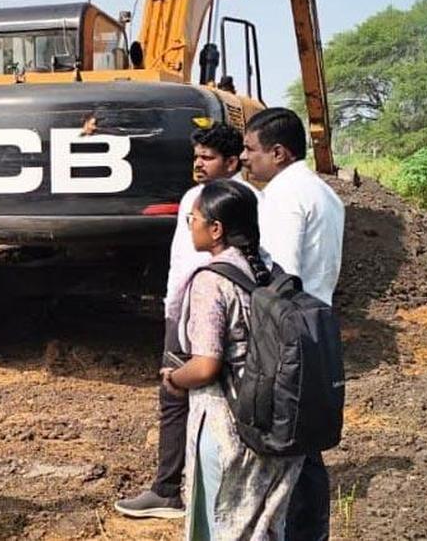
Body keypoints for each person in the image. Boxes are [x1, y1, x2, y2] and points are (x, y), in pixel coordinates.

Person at [116, 124, 252, 519]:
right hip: (186, 308)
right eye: (196, 156)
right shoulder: (216, 196)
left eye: (208, 158)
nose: (198, 164)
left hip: (201, 311)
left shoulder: (220, 201)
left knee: (176, 395)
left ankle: (167, 489)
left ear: (232, 162)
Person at [164, 180, 304, 539]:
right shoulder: (270, 272)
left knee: (221, 526)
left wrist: (175, 379)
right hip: (275, 422)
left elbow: (206, 365)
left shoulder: (211, 281)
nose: (189, 225)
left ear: (216, 229)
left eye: (192, 218)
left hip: (227, 426)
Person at [241, 108, 345, 541]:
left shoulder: (284, 196)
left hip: (287, 332)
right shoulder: (324, 193)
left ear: (279, 153)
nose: (244, 159)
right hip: (317, 323)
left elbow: (281, 277)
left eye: (251, 150)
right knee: (307, 439)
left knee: (287, 440)